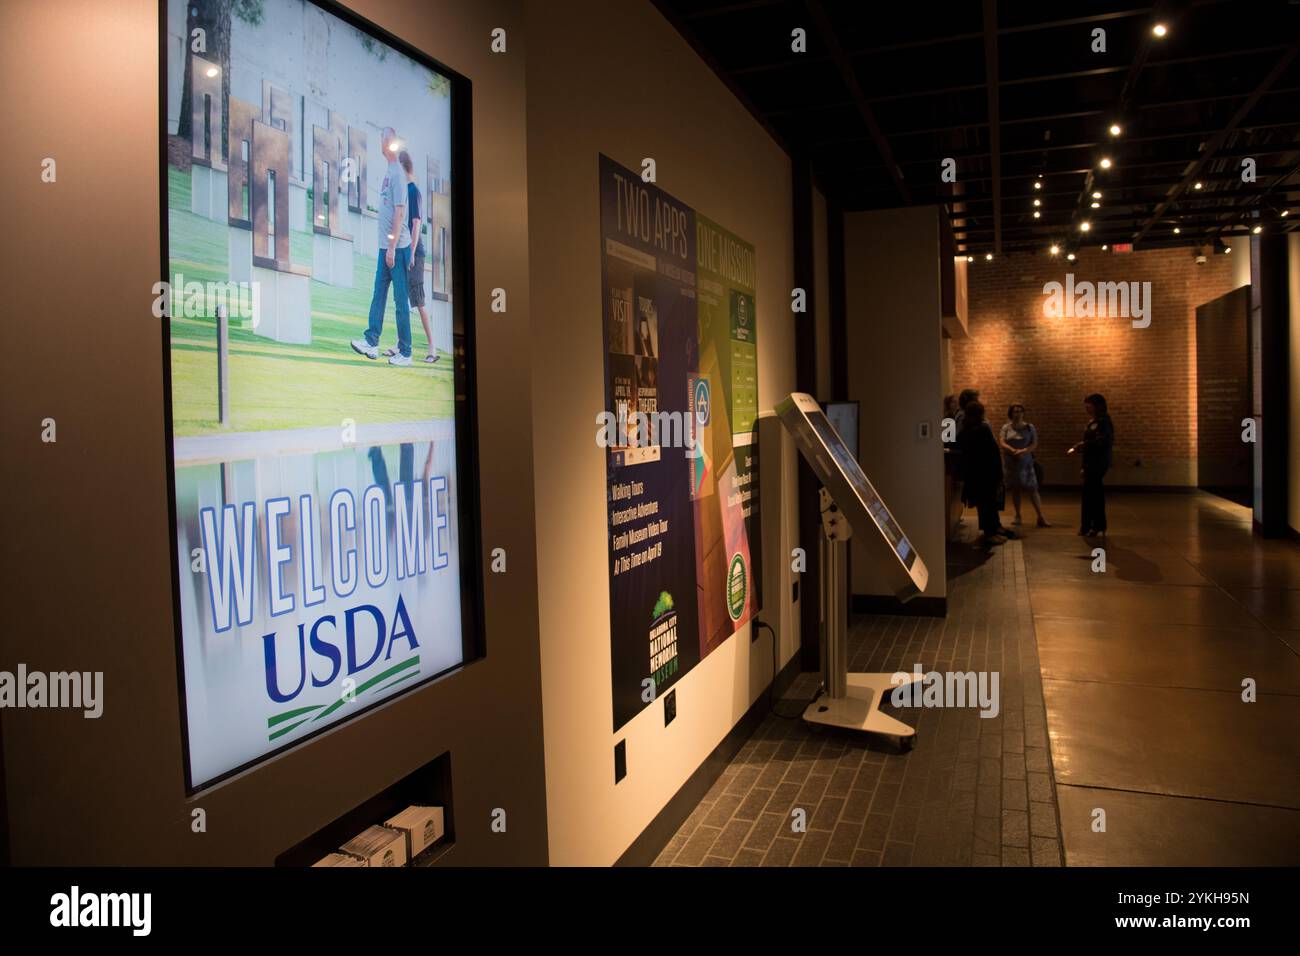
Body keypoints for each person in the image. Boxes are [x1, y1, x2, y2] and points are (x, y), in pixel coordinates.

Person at [351, 127, 413, 366]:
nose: (383, 143)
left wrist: (392, 247)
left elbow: (400, 211)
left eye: (386, 139)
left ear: (392, 143)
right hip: (385, 247)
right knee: (379, 295)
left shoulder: (397, 172)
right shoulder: (389, 171)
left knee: (400, 301)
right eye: (382, 139)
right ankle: (372, 342)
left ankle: (406, 353)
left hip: (397, 248)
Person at [383, 150, 438, 364]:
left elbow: (416, 225)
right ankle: (400, 343)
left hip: (414, 252)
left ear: (403, 166)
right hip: (406, 250)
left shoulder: (413, 191)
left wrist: (412, 253)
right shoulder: (403, 190)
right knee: (402, 299)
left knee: (418, 301)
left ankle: (432, 348)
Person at [956, 401, 1010, 545]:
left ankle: (990, 531)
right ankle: (990, 533)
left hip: (973, 474)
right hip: (987, 472)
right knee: (989, 503)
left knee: (983, 504)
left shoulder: (964, 431)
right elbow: (993, 452)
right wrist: (999, 473)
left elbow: (958, 445)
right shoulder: (983, 429)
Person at [1069, 393, 1114, 536]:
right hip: (1090, 463)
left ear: (1097, 406)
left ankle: (1095, 525)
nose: (1086, 408)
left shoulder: (1104, 422)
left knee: (1093, 495)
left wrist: (1081, 446)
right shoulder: (1092, 421)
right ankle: (1089, 525)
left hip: (1098, 463)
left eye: (1089, 405)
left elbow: (1103, 442)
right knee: (1090, 495)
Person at [999, 403, 1049, 527]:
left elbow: (1034, 443)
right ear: (1011, 413)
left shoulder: (1029, 427)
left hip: (1025, 461)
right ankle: (1018, 515)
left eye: (1020, 411)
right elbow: (1001, 442)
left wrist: (1023, 451)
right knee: (1016, 489)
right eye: (1015, 411)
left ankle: (1040, 516)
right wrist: (1012, 450)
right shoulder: (1006, 427)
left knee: (1032, 488)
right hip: (1012, 461)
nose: (1018, 413)